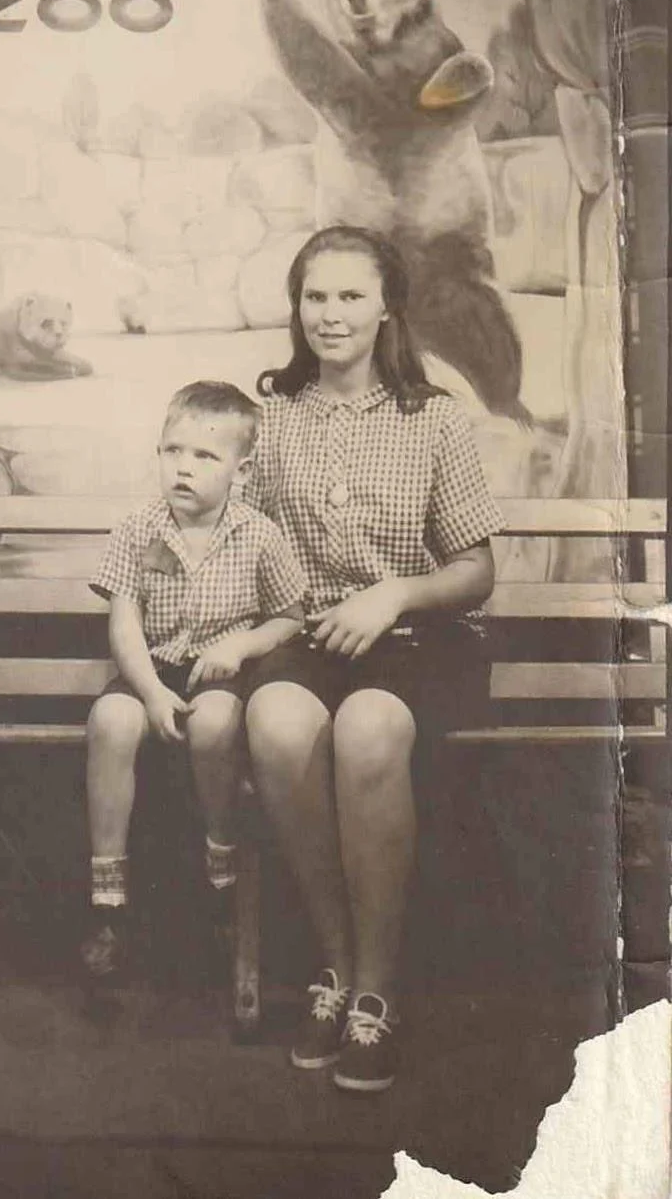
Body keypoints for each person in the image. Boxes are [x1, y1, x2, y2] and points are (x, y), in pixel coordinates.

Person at [244, 225, 503, 1092]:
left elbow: (476, 570)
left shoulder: (434, 417)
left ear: (388, 306)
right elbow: (239, 544)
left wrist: (392, 594)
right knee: (276, 721)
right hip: (309, 639)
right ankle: (337, 967)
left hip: (416, 642)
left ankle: (378, 995)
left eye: (351, 295)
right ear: (296, 308)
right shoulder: (272, 418)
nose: (330, 314)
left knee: (365, 729)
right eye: (314, 296)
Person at [82, 380, 308, 981]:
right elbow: (124, 624)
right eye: (173, 451)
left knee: (214, 723)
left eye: (206, 456)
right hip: (152, 667)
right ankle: (107, 898)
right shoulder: (138, 528)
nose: (184, 468)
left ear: (242, 469)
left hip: (217, 672)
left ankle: (221, 864)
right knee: (111, 719)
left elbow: (291, 616)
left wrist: (242, 644)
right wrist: (151, 691)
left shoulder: (257, 533)